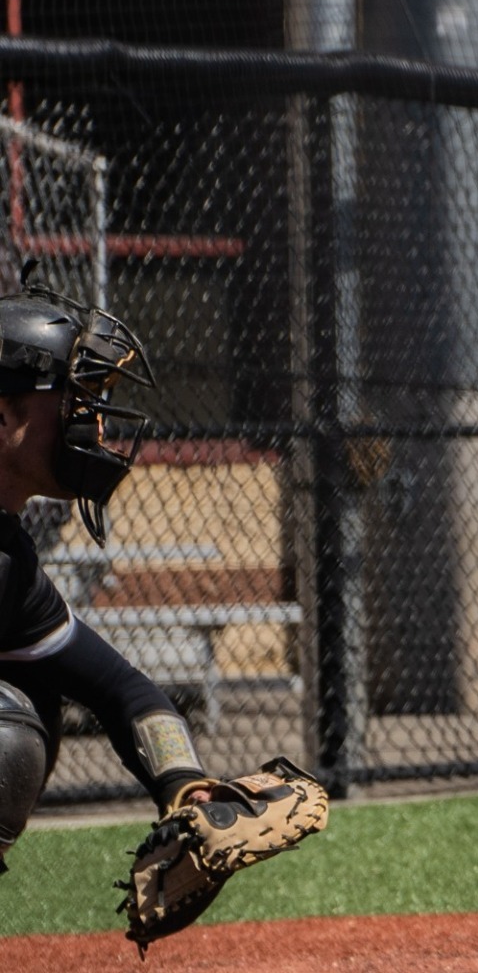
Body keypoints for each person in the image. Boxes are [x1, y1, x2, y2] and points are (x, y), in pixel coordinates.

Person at [0, 274, 214, 873]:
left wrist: (188, 790)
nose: (94, 425)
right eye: (72, 401)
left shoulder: (10, 565)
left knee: (28, 705)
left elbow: (125, 691)